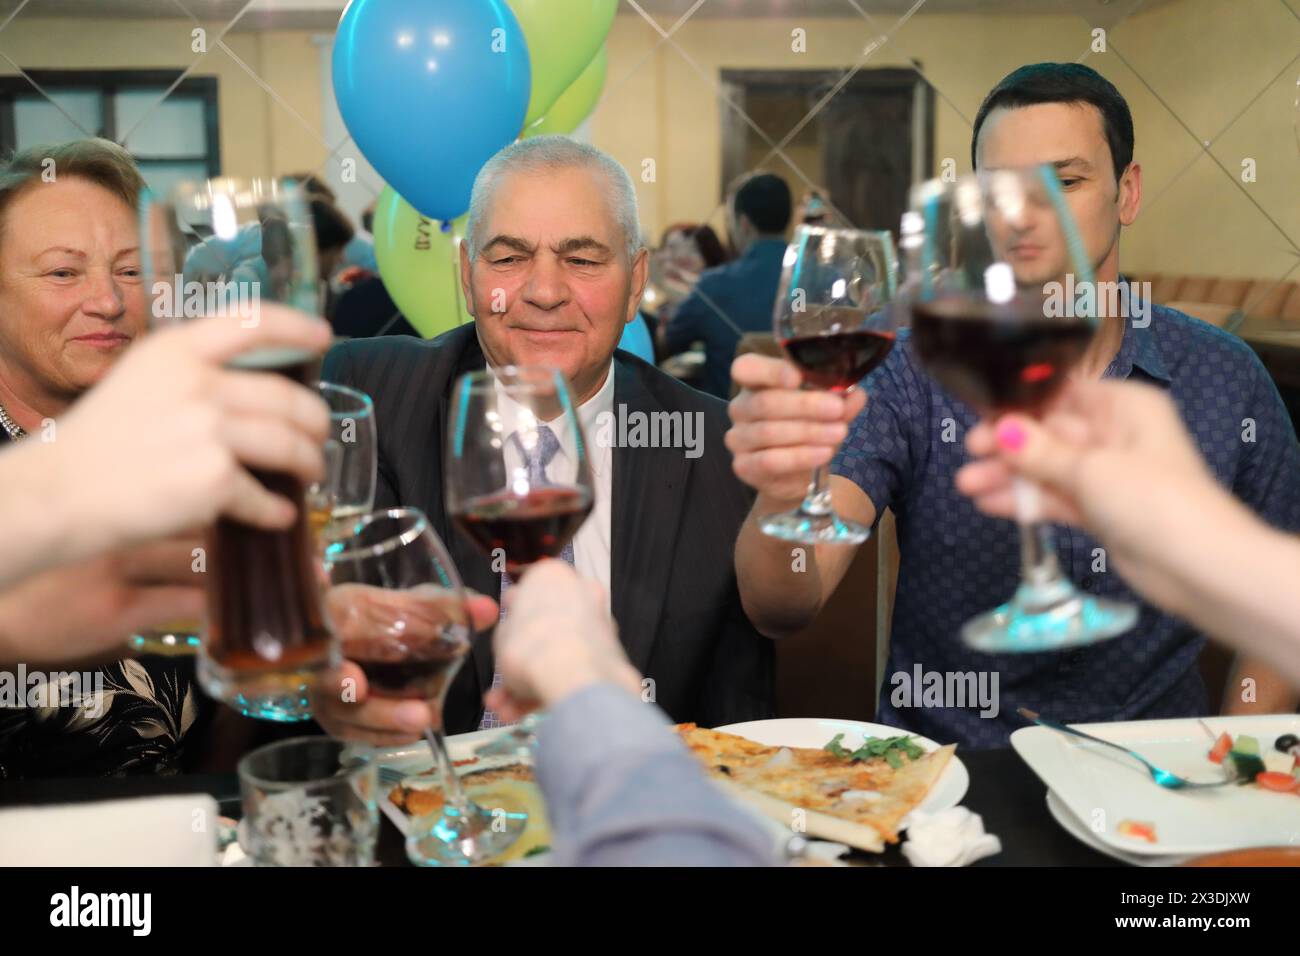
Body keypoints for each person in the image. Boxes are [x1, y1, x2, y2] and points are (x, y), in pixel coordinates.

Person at [727, 62, 1300, 748]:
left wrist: (1233, 767)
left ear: (1127, 190)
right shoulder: (911, 371)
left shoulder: (1222, 376)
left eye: (1066, 181)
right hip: (954, 787)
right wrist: (782, 499)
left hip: (1158, 782)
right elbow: (784, 604)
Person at [317, 135, 772, 739]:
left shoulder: (715, 443)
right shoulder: (370, 395)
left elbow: (737, 723)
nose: (545, 291)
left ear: (637, 282)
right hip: (430, 806)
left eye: (582, 260)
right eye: (508, 258)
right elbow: (325, 634)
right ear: (467, 274)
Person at [0, 307, 330, 779]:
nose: (107, 299)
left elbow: (230, 692)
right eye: (62, 270)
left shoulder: (194, 450)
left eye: (130, 267)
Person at [955, 378, 1300, 692]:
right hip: (955, 746)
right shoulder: (914, 369)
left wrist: (1244, 756)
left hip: (1165, 749)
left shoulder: (1226, 371)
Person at [658, 174, 791, 399]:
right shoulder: (820, 279)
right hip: (810, 421)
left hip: (729, 421)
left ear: (744, 223)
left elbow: (667, 342)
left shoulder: (715, 284)